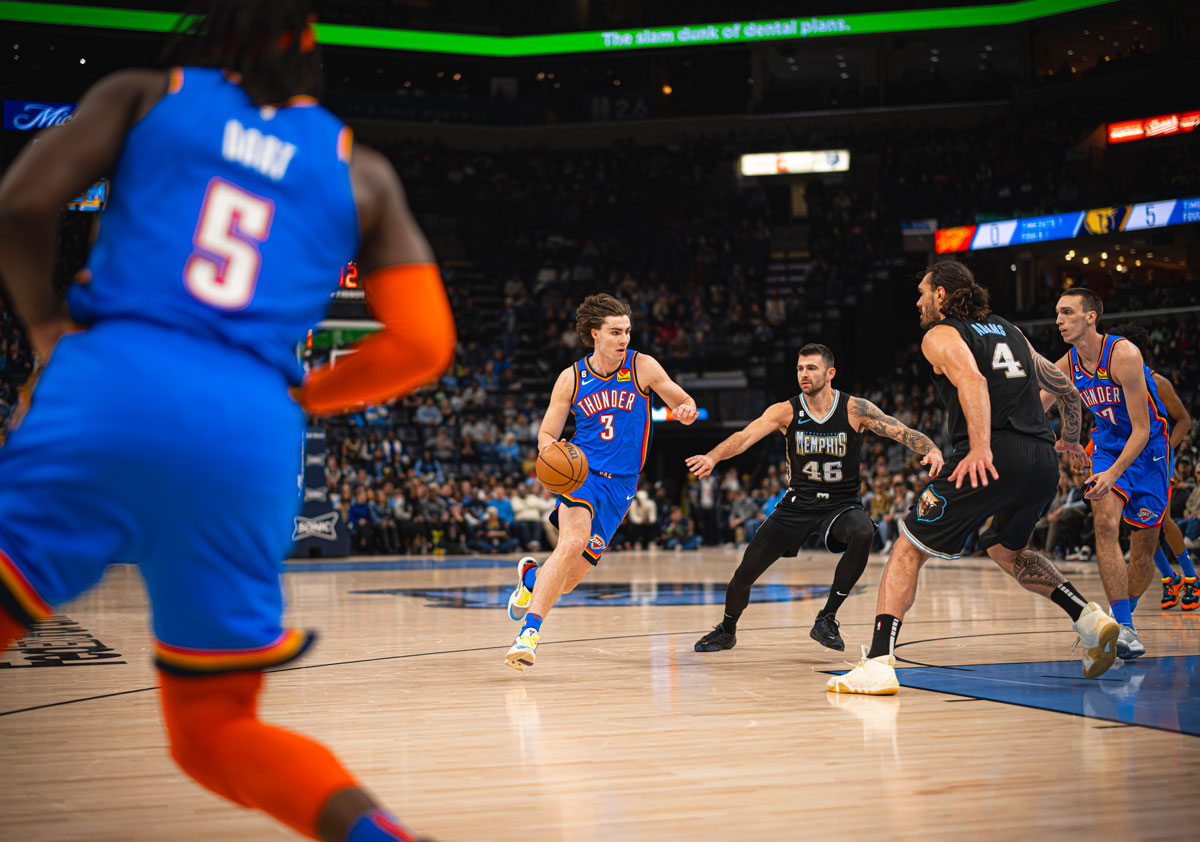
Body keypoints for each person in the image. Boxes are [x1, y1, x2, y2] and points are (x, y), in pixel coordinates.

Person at [0, 3, 454, 840]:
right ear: (312, 59)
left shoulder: (147, 94)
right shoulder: (364, 170)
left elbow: (23, 203)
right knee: (216, 735)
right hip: (249, 431)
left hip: (115, 380)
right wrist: (306, 398)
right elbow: (427, 344)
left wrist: (44, 332)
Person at [828, 262, 1118, 695]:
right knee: (1007, 549)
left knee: (907, 548)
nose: (918, 300)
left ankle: (876, 663)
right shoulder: (1010, 332)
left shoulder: (941, 334)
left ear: (942, 295)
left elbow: (973, 380)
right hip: (1040, 459)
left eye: (924, 292)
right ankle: (1089, 619)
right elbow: (1066, 389)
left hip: (992, 454)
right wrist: (1070, 440)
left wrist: (981, 447)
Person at [688, 343, 944, 654]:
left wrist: (930, 447)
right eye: (799, 369)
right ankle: (727, 629)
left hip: (841, 505)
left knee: (864, 530)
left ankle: (827, 617)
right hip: (797, 503)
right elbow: (744, 437)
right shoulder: (785, 410)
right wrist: (713, 457)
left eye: (811, 368)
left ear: (830, 373)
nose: (804, 374)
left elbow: (898, 430)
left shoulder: (854, 409)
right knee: (744, 574)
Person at [503, 293, 697, 670]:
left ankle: (531, 578)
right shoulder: (571, 378)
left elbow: (681, 402)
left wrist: (686, 411)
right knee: (572, 540)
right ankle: (528, 635)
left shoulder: (642, 367)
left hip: (621, 486)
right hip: (581, 474)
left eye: (626, 331)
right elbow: (546, 433)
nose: (623, 339)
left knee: (570, 580)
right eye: (614, 332)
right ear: (595, 334)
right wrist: (551, 450)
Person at [1051, 290, 1169, 657]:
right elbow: (1032, 405)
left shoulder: (1124, 355)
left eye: (1067, 312)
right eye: (1056, 313)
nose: (1058, 319)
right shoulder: (1065, 365)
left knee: (1144, 552)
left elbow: (1142, 429)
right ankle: (1126, 630)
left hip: (1147, 451)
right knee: (1104, 521)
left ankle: (1125, 616)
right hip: (1105, 448)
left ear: (1090, 317)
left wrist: (1114, 472)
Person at [1117, 324, 1198, 611]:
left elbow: (1184, 420)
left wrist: (1166, 451)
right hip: (1128, 461)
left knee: (1161, 520)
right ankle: (1169, 577)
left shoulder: (1157, 382)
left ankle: (1190, 576)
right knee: (1137, 525)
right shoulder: (1113, 385)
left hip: (1154, 461)